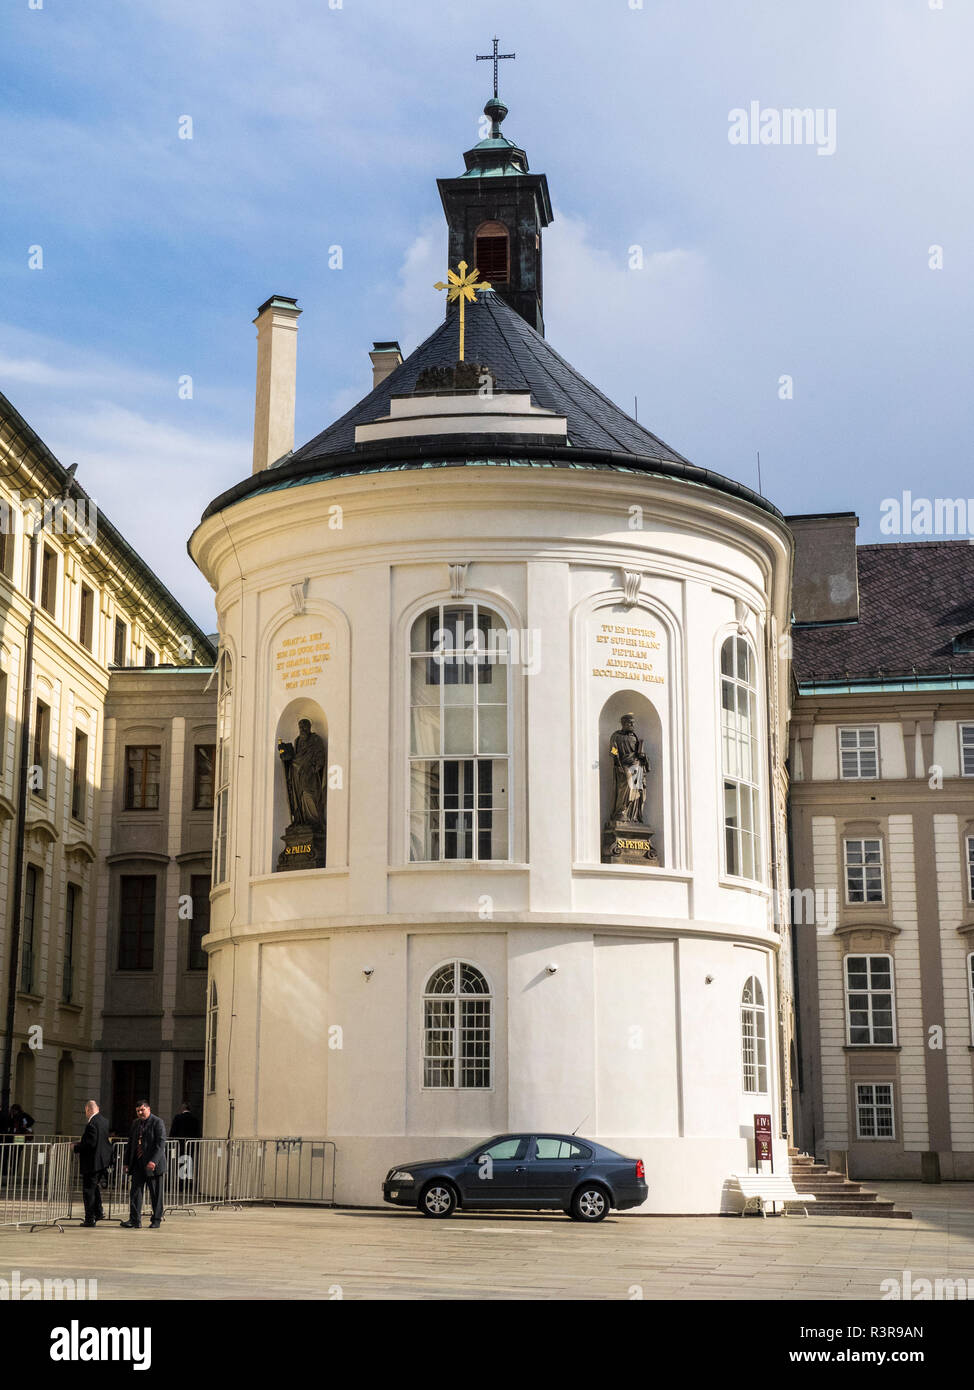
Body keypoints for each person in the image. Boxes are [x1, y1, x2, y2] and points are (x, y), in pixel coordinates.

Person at [119, 1100, 167, 1229]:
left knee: (155, 1194)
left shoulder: (157, 1122)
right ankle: (135, 1220)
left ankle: (156, 1220)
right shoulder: (136, 1123)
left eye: (142, 1110)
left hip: (153, 1165)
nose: (140, 1113)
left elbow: (160, 1143)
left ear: (148, 1109)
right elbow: (131, 1144)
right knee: (135, 1192)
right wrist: (126, 1162)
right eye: (138, 1111)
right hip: (137, 1164)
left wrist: (154, 1161)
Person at [73, 1100, 113, 1228]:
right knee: (94, 1187)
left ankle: (90, 1218)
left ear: (88, 1110)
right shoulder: (104, 1121)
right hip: (102, 1161)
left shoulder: (92, 1123)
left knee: (88, 1191)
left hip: (93, 1162)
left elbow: (91, 1143)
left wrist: (75, 1147)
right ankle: (99, 1211)